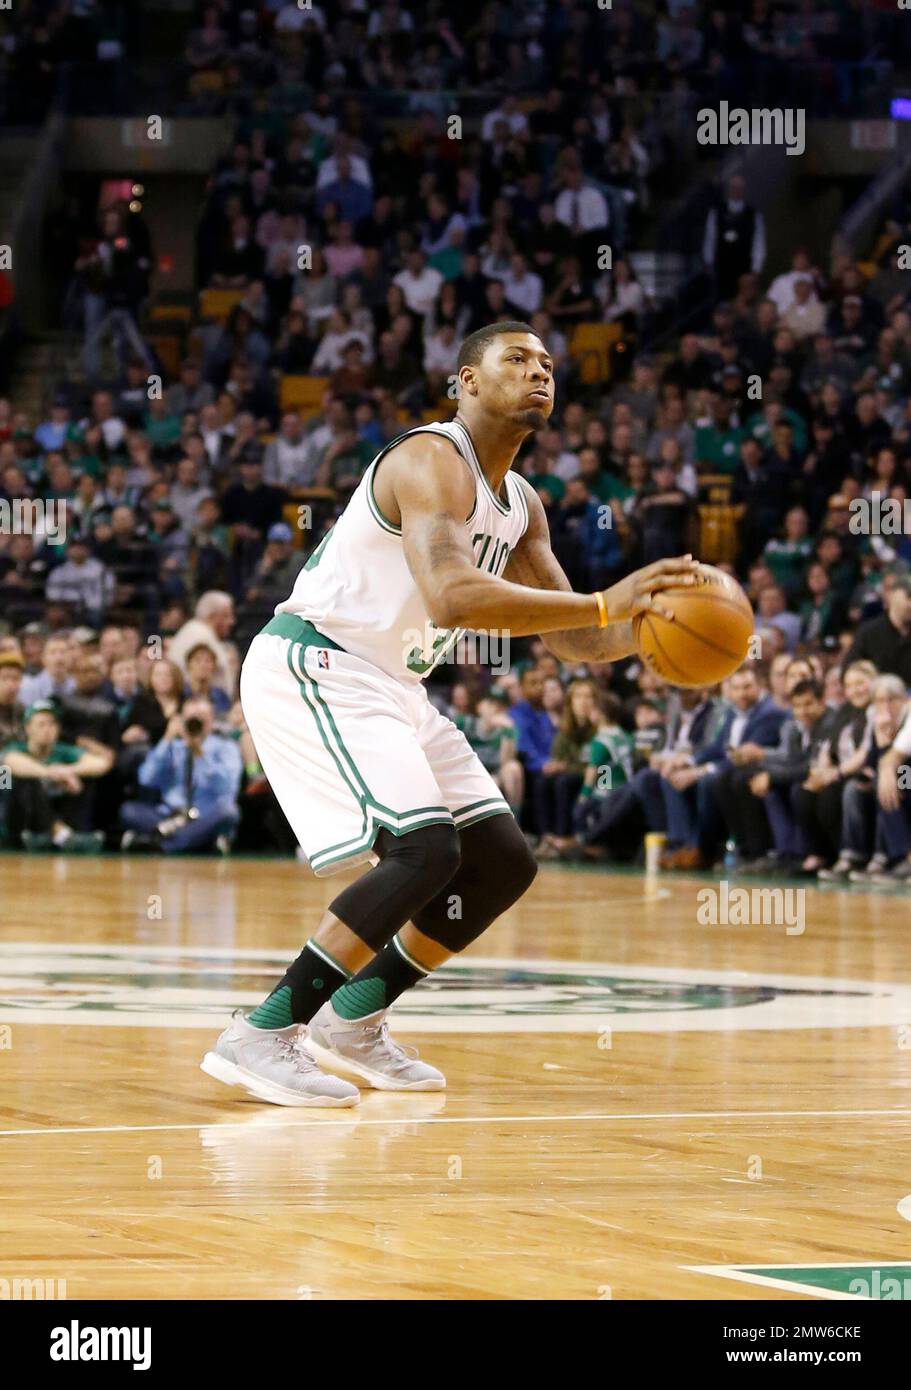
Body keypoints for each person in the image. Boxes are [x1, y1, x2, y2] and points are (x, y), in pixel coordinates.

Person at [200, 319, 699, 1106]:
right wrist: (607, 596)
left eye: (546, 361)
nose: (539, 371)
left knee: (501, 860)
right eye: (516, 359)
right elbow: (450, 594)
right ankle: (263, 1031)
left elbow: (571, 636)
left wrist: (648, 628)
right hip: (318, 660)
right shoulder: (429, 459)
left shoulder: (521, 504)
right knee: (422, 851)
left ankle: (354, 1018)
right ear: (465, 382)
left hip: (394, 683)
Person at [120, 696, 242, 854]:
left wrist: (200, 754)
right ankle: (194, 843)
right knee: (128, 810)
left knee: (228, 812)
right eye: (191, 719)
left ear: (211, 721)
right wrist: (167, 739)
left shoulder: (225, 747)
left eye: (201, 720)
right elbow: (146, 778)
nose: (195, 724)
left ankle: (157, 843)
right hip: (171, 816)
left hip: (205, 815)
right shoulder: (173, 746)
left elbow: (227, 787)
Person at [2, 700, 111, 851]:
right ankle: (60, 834)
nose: (47, 729)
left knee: (88, 779)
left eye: (52, 724)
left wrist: (70, 771)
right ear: (28, 728)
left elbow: (101, 763)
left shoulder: (62, 750)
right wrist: (50, 773)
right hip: (16, 817)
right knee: (10, 777)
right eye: (41, 724)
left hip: (53, 809)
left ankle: (57, 835)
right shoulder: (15, 748)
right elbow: (10, 761)